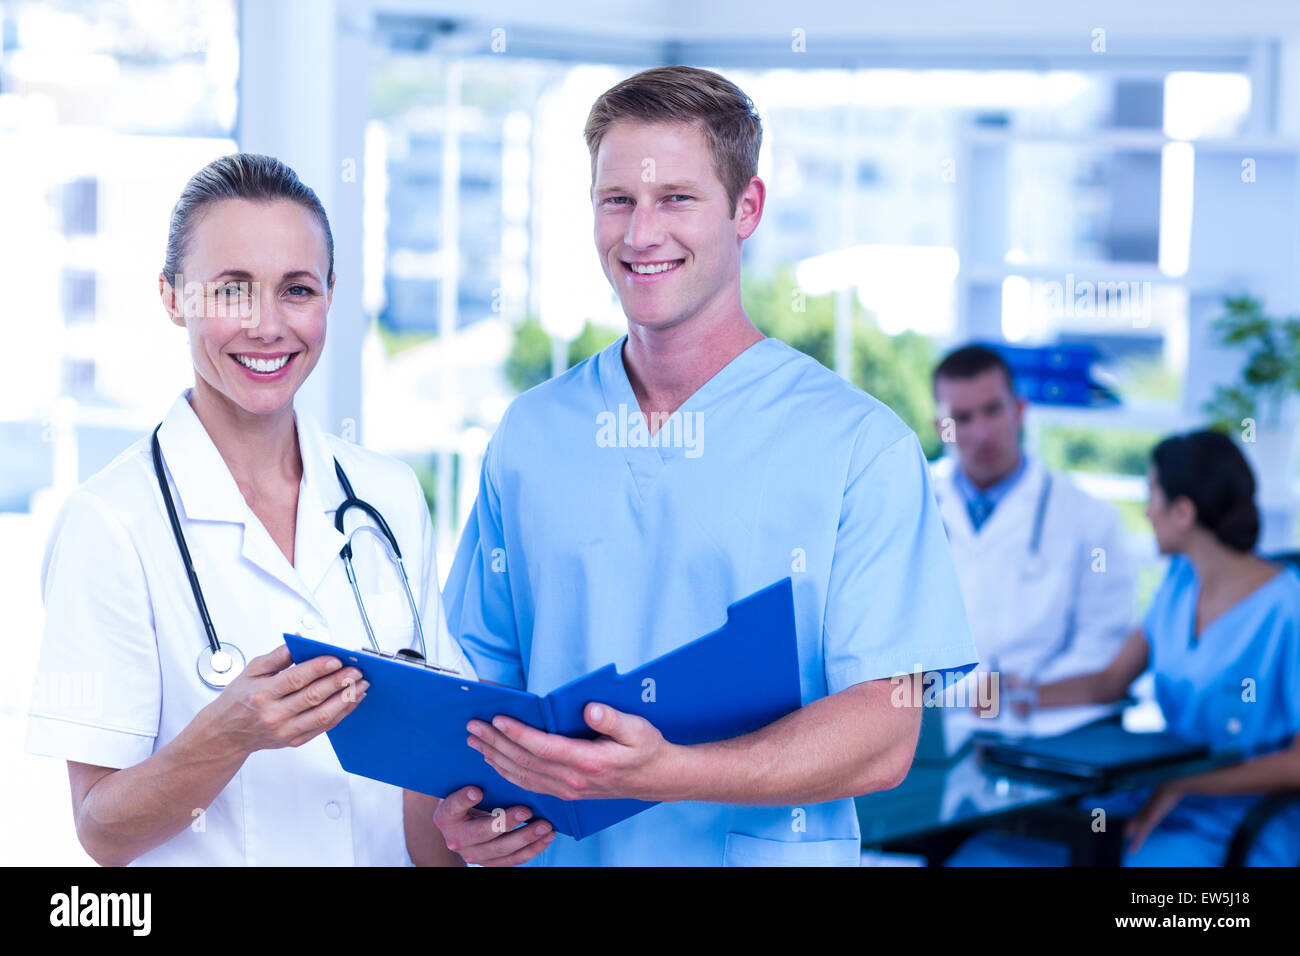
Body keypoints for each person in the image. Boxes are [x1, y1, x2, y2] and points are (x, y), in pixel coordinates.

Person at [436, 65, 979, 866]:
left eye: (677, 199)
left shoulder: (860, 448)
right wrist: (461, 814)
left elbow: (884, 734)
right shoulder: (530, 435)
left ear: (746, 208)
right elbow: (475, 686)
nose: (640, 234)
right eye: (616, 200)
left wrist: (675, 773)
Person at [24, 153, 550, 866]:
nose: (267, 326)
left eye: (296, 290)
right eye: (233, 291)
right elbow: (103, 831)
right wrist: (231, 732)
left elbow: (421, 814)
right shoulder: (110, 522)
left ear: (330, 295)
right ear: (174, 298)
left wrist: (470, 836)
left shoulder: (388, 497)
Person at [946, 430, 1300, 865]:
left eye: (1153, 494)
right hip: (1156, 792)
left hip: (1239, 817)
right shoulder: (1179, 584)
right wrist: (1018, 693)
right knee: (986, 856)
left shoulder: (1287, 610)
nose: (1148, 511)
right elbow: (1110, 682)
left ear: (1183, 511)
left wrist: (1187, 783)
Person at [929, 344, 1134, 741]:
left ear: (1019, 411)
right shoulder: (908, 507)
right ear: (942, 429)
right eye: (962, 418)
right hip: (931, 736)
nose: (982, 433)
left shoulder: (1091, 520)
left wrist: (1014, 695)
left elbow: (1101, 649)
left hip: (1042, 735)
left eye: (993, 411)